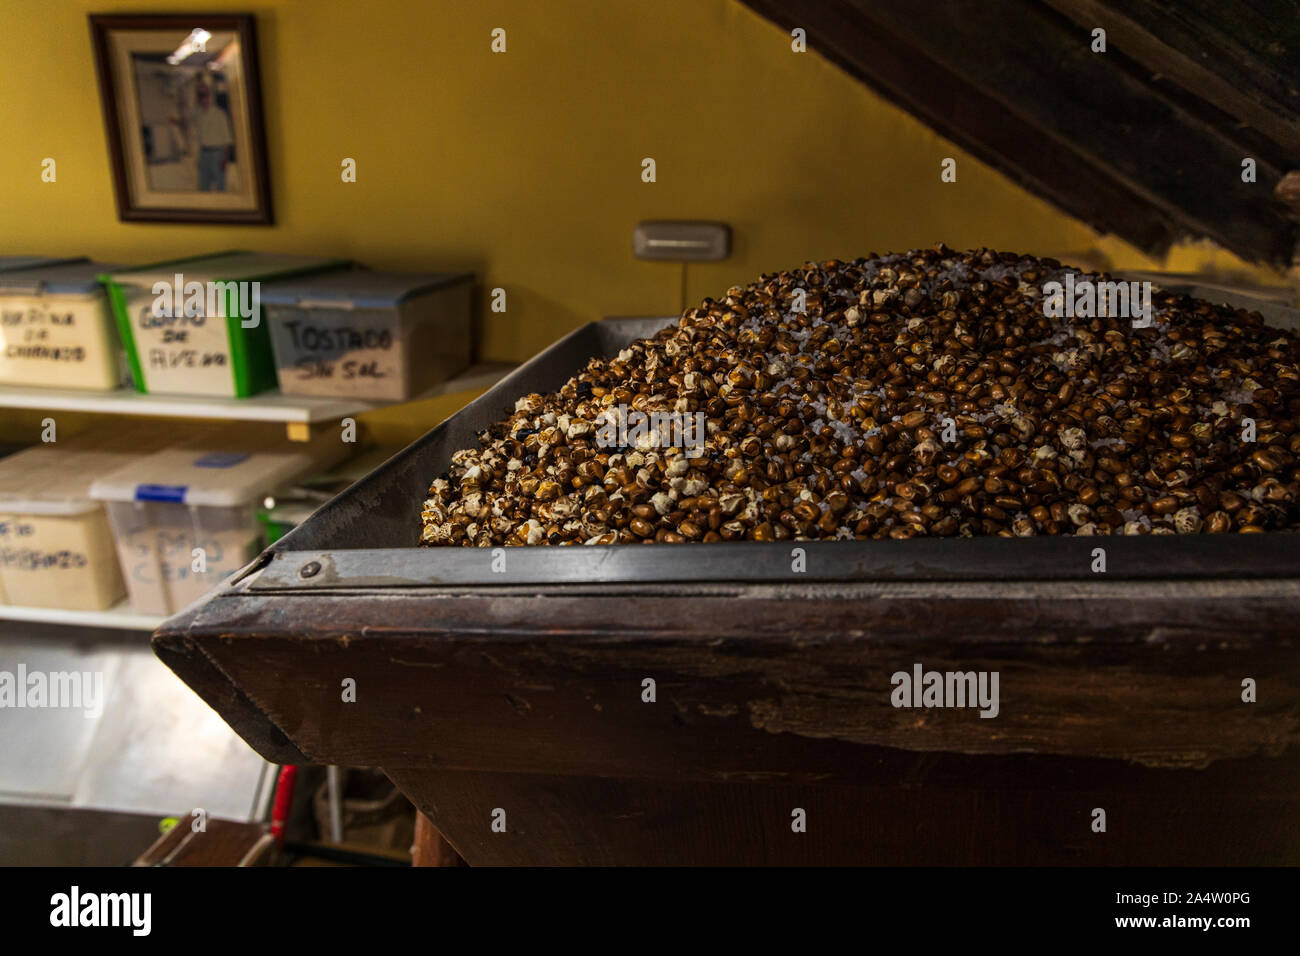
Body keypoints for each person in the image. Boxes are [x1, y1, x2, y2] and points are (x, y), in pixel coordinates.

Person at [194, 76, 234, 191]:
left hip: (217, 154)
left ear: (210, 96)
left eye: (205, 95)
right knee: (203, 187)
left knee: (220, 187)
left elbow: (227, 140)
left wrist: (224, 160)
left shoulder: (219, 114)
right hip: (204, 153)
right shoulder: (198, 115)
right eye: (200, 96)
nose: (203, 99)